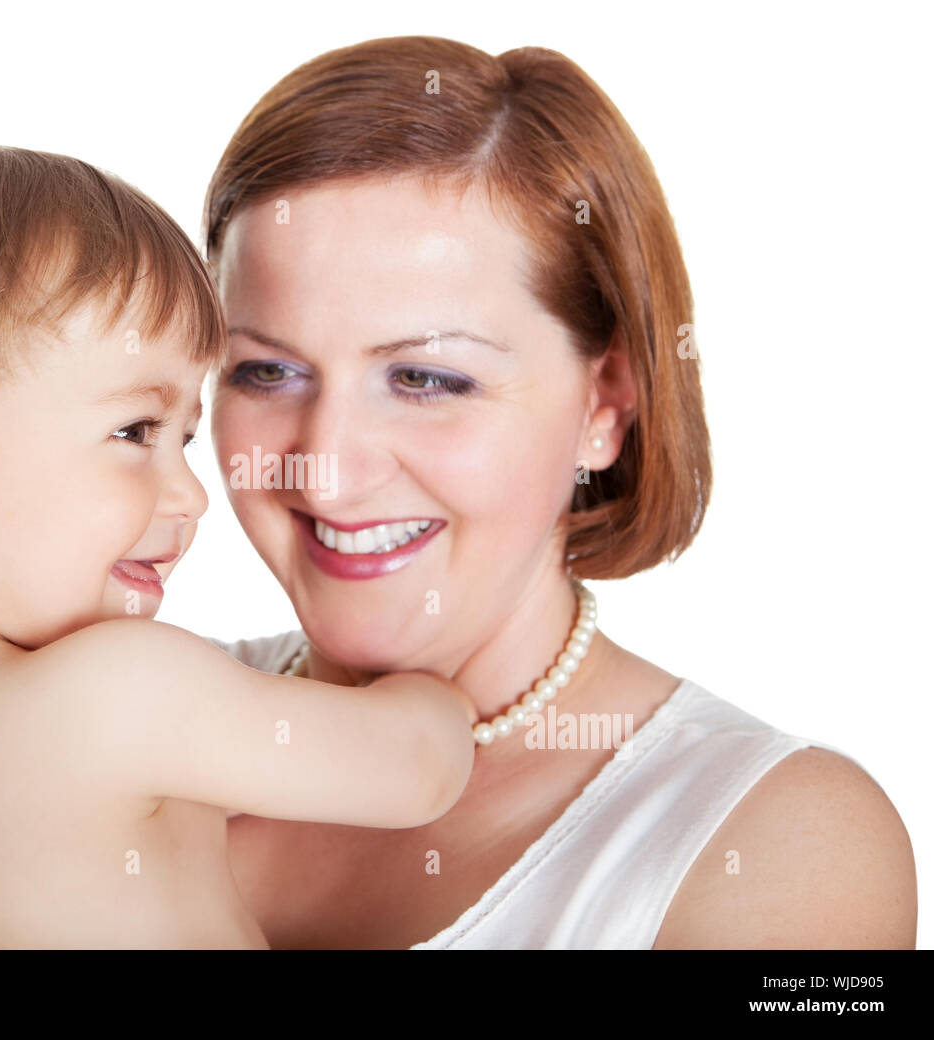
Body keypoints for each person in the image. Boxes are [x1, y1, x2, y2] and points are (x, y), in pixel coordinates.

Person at [202, 37, 917, 948]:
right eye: (266, 371)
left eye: (426, 380)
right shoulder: (108, 723)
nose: (328, 470)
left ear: (604, 405)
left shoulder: (786, 840)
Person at [0, 143, 478, 948]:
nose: (192, 496)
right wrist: (438, 692)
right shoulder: (114, 692)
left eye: (184, 437)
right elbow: (419, 767)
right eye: (134, 430)